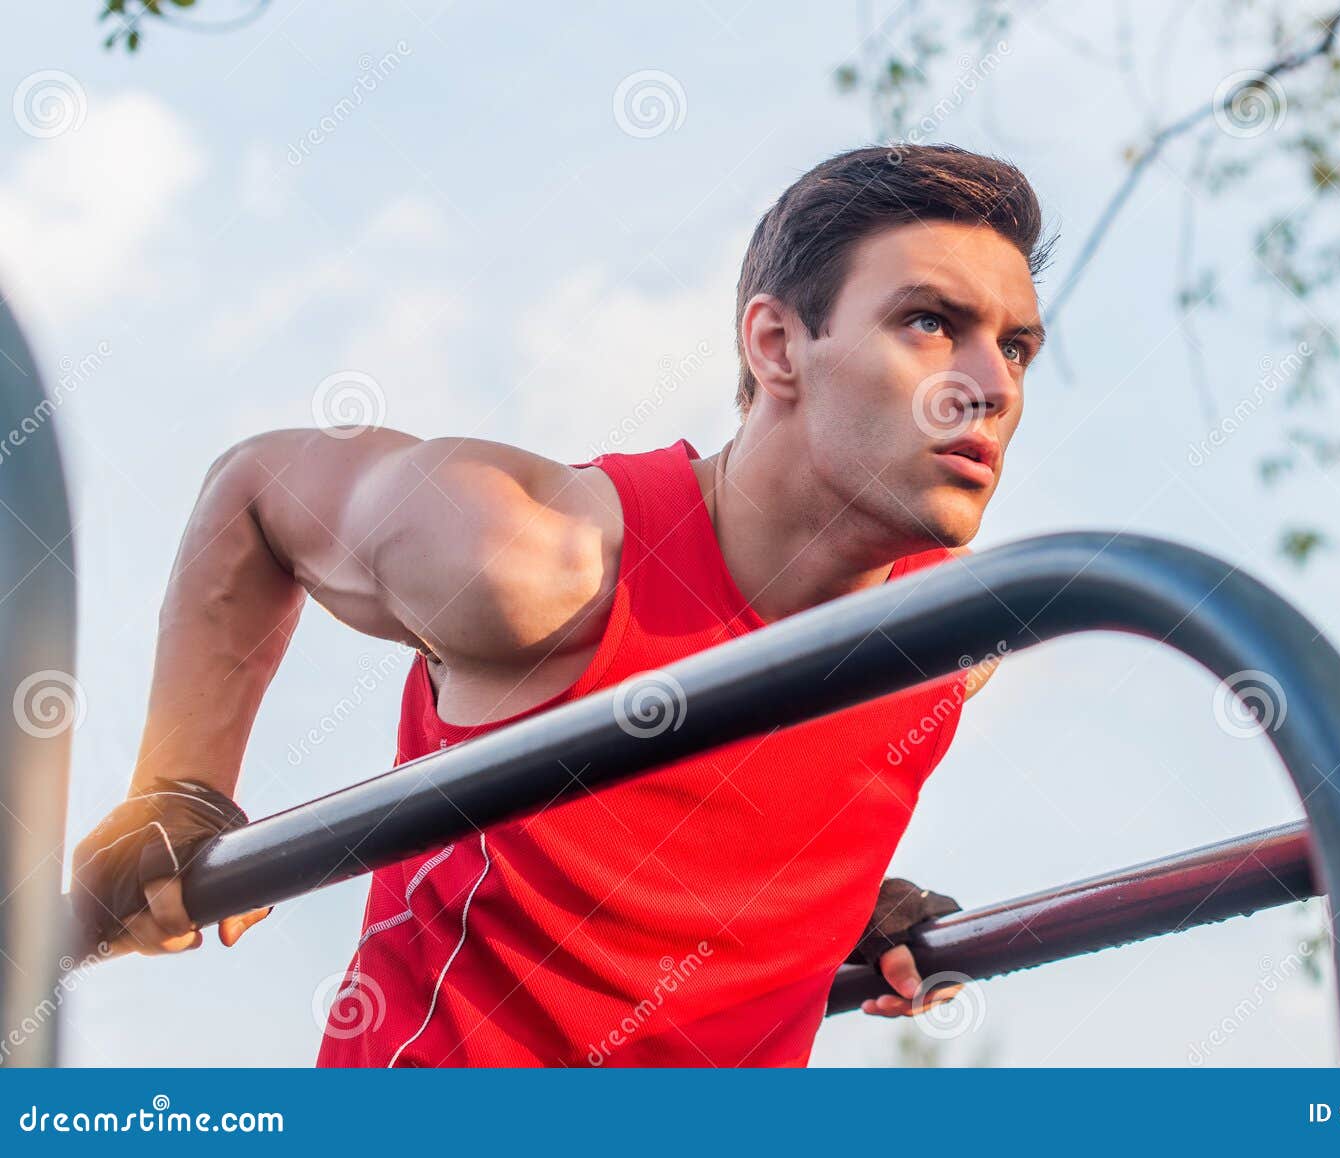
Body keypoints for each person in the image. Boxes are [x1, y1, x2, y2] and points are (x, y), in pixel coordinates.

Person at [71, 143, 1051, 1066]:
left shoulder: (952, 643)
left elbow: (715, 823)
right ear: (777, 345)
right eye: (928, 322)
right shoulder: (529, 559)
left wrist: (835, 910)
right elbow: (257, 490)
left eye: (1015, 348)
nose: (990, 386)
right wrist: (180, 789)